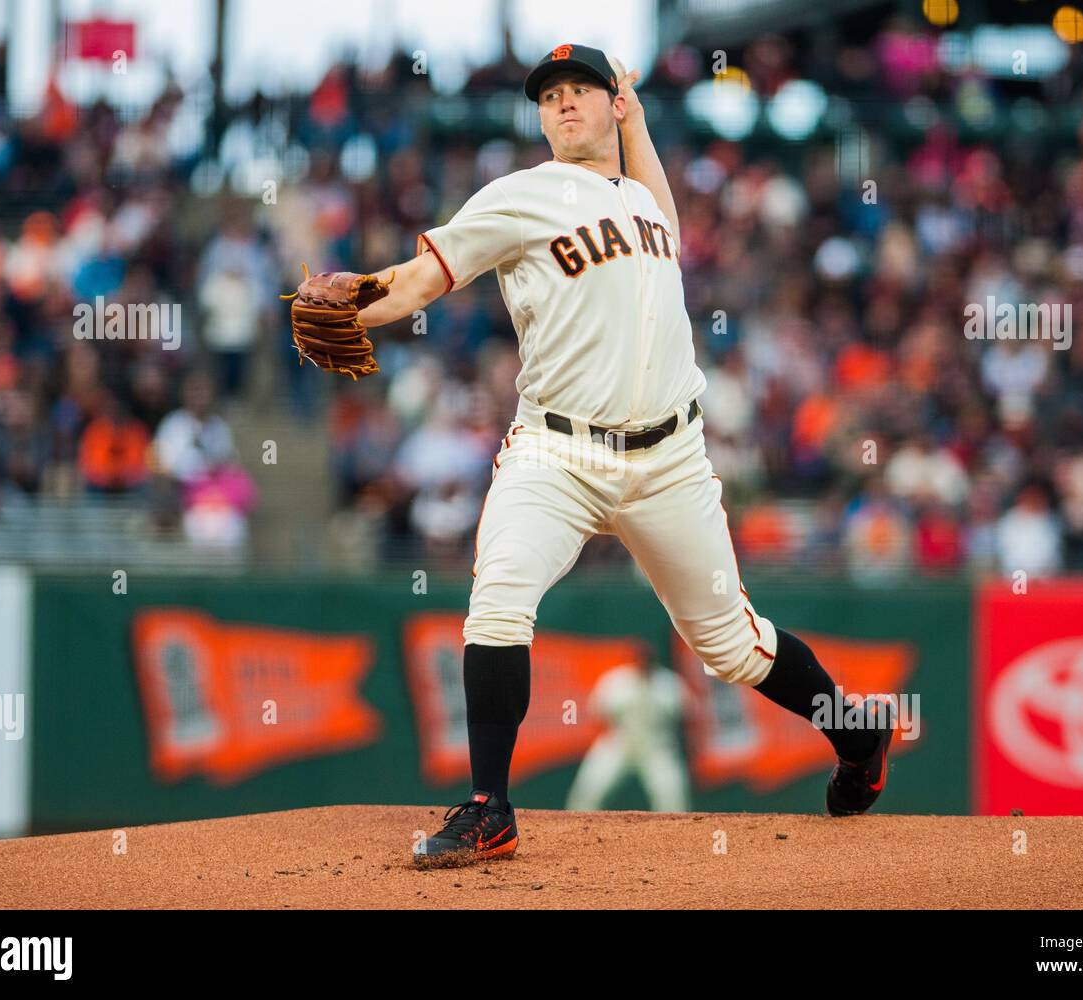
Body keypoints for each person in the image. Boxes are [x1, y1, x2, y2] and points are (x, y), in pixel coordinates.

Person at [347, 44, 900, 867]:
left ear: (614, 105)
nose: (564, 104)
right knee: (498, 600)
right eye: (550, 96)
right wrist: (357, 305)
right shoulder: (518, 196)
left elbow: (660, 209)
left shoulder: (647, 208)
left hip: (671, 459)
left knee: (732, 647)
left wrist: (636, 122)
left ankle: (856, 734)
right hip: (554, 454)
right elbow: (423, 280)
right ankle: (489, 807)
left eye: (582, 91)